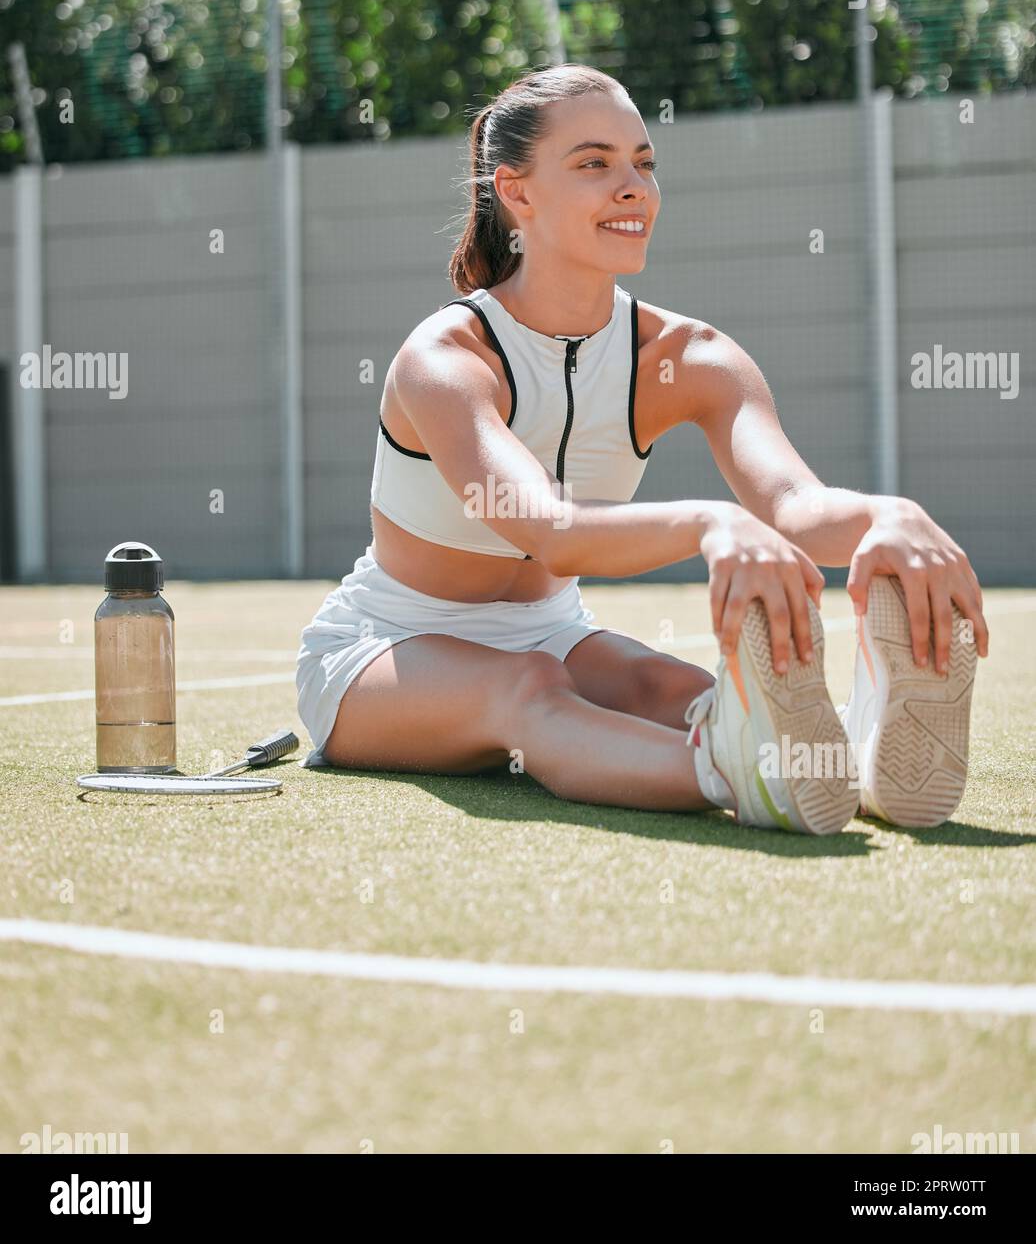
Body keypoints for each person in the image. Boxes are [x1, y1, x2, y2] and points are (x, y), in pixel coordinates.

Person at [296, 63, 988, 833]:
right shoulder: (447, 358)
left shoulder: (694, 357)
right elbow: (546, 528)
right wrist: (708, 524)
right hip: (381, 647)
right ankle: (739, 772)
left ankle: (848, 758)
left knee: (671, 687)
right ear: (517, 192)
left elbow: (796, 504)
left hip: (554, 631)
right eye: (595, 164)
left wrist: (886, 519)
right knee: (525, 689)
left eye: (644, 164)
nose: (634, 188)